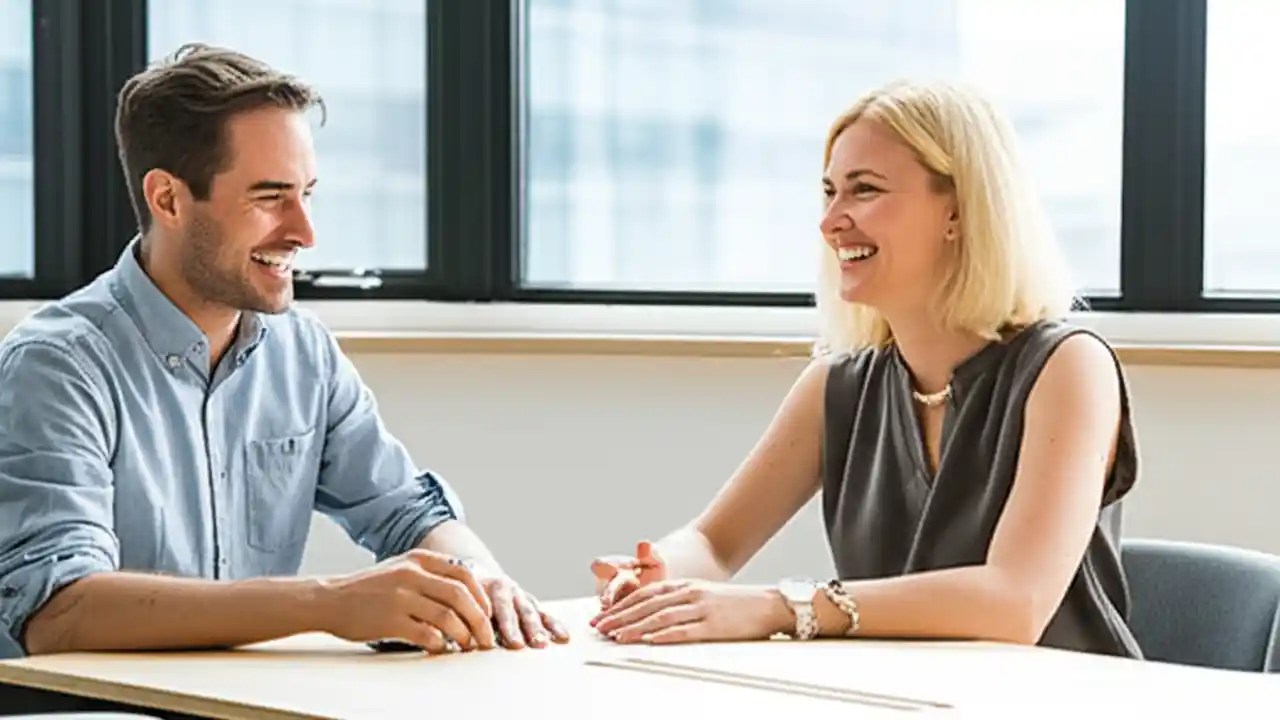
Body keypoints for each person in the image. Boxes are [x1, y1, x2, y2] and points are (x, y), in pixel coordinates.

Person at [0, 43, 567, 661]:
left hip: (245, 699)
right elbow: (58, 611)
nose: (305, 232)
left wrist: (477, 578)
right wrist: (327, 604)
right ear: (168, 200)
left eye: (307, 194)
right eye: (270, 197)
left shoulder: (303, 352)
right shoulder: (56, 365)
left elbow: (407, 511)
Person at [589, 79, 1143, 658]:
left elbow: (1015, 602)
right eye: (829, 192)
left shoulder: (1069, 366)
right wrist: (656, 572)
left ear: (958, 211)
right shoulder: (838, 386)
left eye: (865, 190)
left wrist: (783, 607)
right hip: (901, 696)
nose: (831, 221)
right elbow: (714, 544)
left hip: (1061, 695)